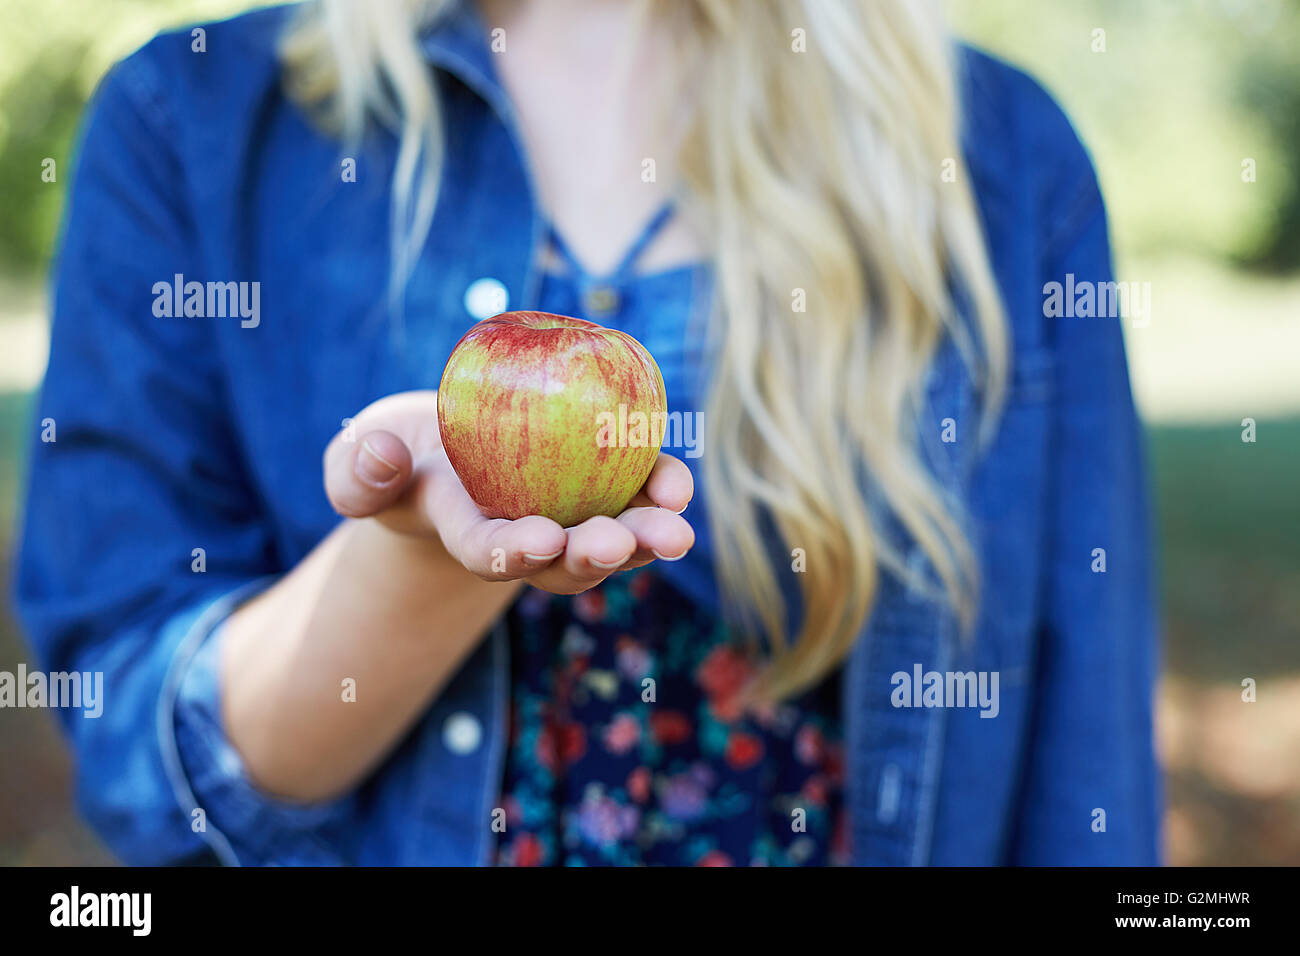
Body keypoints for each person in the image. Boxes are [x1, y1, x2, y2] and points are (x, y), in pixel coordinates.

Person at [15, 0, 1159, 866]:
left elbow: (1087, 744)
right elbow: (137, 749)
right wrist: (421, 553)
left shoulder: (997, 162)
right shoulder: (194, 122)